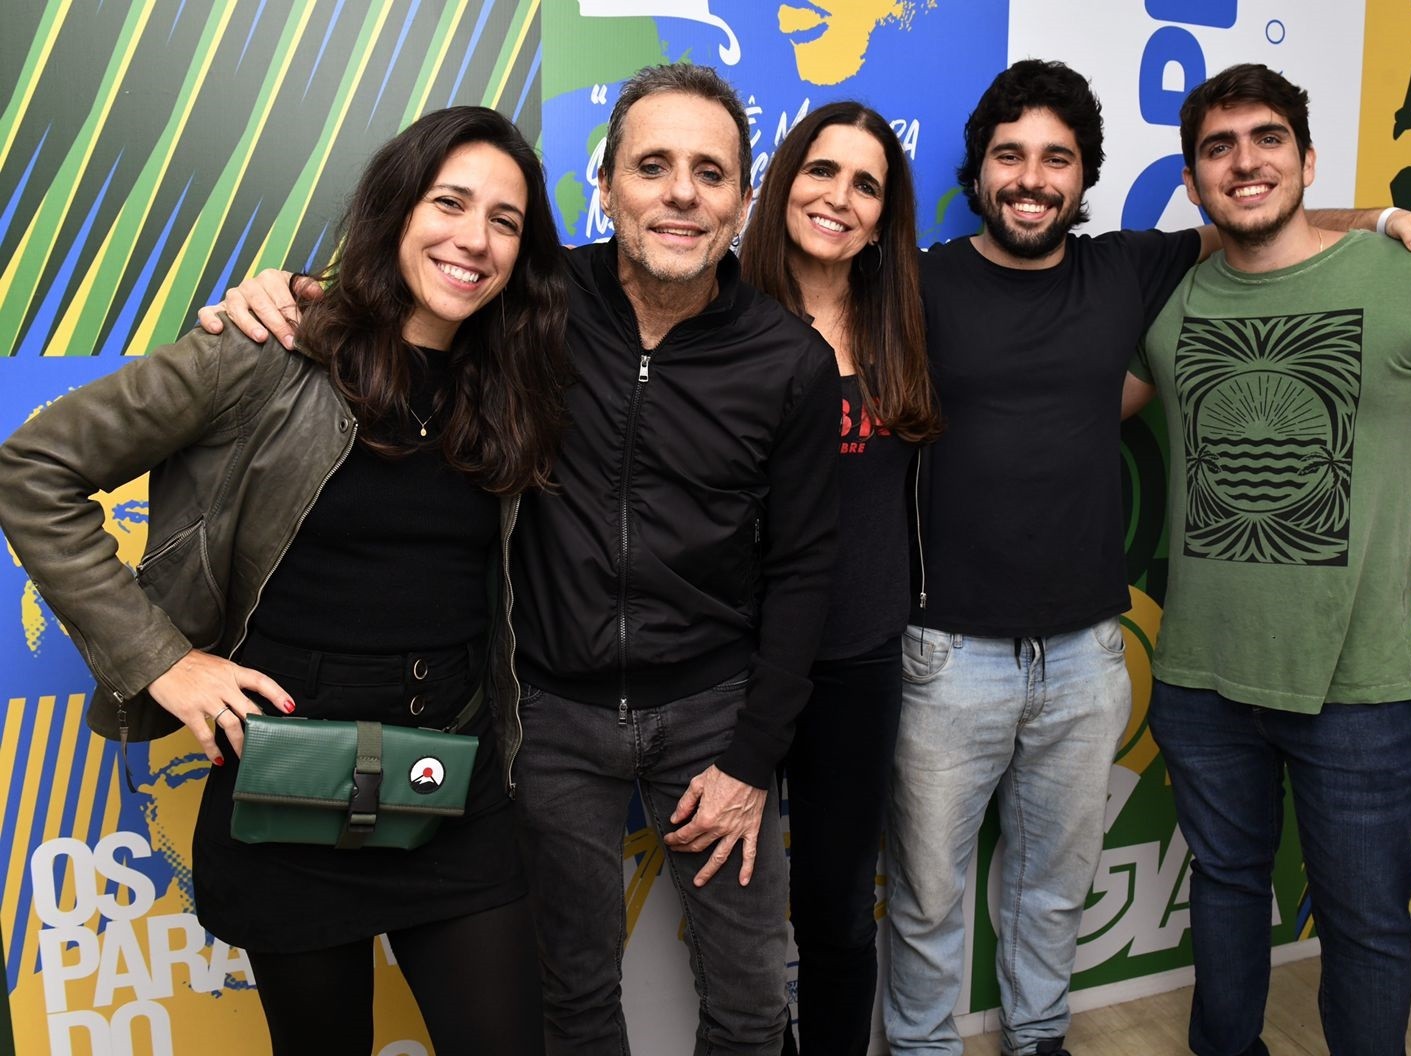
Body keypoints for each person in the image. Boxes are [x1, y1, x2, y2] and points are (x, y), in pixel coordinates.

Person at [202, 64, 840, 1055]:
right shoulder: (527, 306)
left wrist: (751, 759)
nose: (681, 192)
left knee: (754, 1000)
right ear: (607, 185)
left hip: (715, 717)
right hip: (545, 721)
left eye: (710, 172)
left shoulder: (786, 358)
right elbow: (400, 308)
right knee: (572, 996)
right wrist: (278, 297)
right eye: (654, 166)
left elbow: (803, 568)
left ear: (742, 202)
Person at [886, 59, 1411, 1056]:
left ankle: (1038, 1040)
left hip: (1084, 654)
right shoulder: (917, 280)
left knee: (1052, 885)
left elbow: (1266, 212)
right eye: (1010, 156)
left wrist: (1389, 217)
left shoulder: (1130, 270)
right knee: (927, 891)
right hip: (948, 654)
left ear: (1083, 178)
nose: (1032, 177)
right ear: (979, 170)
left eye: (1056, 159)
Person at [0, 106, 569, 1054]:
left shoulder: (517, 376)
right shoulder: (265, 350)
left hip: (454, 783)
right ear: (396, 210)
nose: (475, 238)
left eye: (505, 221)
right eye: (451, 202)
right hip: (291, 789)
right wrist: (164, 661)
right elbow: (31, 469)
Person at [1121, 63, 1411, 1056]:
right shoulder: (1169, 303)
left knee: (1362, 925)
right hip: (1200, 680)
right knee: (1223, 899)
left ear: (1307, 160)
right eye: (1216, 148)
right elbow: (1067, 419)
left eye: (1267, 139)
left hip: (1357, 685)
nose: (1244, 162)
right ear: (1191, 181)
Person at [739, 100, 940, 1055]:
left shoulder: (907, 320)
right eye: (823, 171)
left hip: (858, 658)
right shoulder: (718, 309)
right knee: (734, 919)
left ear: (884, 212)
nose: (840, 197)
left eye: (866, 183)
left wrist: (1376, 220)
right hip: (729, 663)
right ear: (784, 181)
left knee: (833, 910)